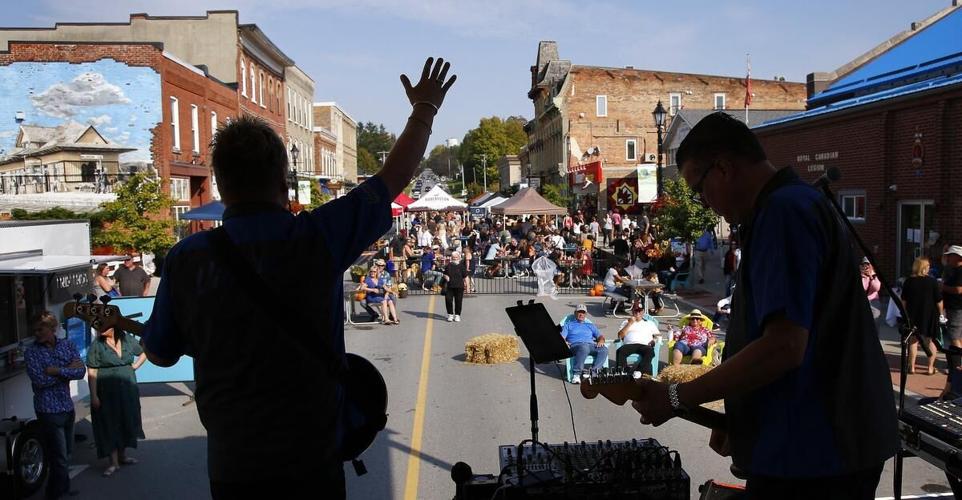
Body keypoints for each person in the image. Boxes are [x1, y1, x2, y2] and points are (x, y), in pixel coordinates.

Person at [141, 57, 456, 498]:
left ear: (221, 184)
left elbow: (159, 353)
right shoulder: (315, 238)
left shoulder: (187, 259)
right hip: (313, 459)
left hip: (235, 467)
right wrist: (425, 108)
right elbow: (391, 179)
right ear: (285, 183)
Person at [630, 112, 897, 498]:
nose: (705, 204)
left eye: (699, 189)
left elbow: (784, 346)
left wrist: (676, 397)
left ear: (722, 167)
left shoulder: (783, 212)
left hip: (818, 454)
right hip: (820, 446)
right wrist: (741, 413)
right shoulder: (790, 206)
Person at [24, 311, 85, 499]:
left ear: (52, 328)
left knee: (66, 453)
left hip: (67, 406)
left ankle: (62, 488)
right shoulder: (32, 353)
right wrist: (67, 370)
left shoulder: (67, 345)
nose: (37, 333)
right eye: (34, 330)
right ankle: (55, 494)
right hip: (48, 409)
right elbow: (40, 380)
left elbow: (80, 371)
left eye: (40, 329)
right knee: (58, 456)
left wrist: (56, 370)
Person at [86, 325, 146, 477]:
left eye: (104, 326)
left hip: (127, 386)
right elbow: (92, 371)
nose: (100, 329)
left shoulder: (127, 339)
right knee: (109, 422)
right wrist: (94, 395)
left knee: (126, 419)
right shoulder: (97, 345)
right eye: (98, 326)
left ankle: (122, 456)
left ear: (113, 326)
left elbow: (146, 349)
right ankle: (113, 463)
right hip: (107, 389)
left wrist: (136, 365)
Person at [901, 257, 942, 375]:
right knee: (931, 340)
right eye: (928, 265)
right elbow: (939, 300)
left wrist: (905, 313)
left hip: (913, 315)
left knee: (913, 341)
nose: (929, 267)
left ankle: (912, 367)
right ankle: (930, 368)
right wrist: (941, 313)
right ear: (923, 267)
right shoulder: (932, 282)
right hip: (930, 314)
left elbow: (903, 300)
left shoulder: (909, 281)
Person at [560, 304, 608, 382]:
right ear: (575, 313)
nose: (581, 314)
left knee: (604, 350)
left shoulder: (590, 325)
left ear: (586, 314)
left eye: (583, 312)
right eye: (579, 312)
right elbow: (562, 338)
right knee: (584, 347)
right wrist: (564, 342)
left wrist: (601, 340)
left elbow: (600, 336)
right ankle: (576, 375)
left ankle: (594, 373)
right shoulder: (568, 325)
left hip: (591, 345)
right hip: (576, 345)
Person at [615, 304, 659, 372]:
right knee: (620, 351)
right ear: (632, 311)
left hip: (644, 345)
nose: (638, 313)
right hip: (629, 344)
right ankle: (623, 373)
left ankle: (639, 372)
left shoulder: (650, 323)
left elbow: (658, 335)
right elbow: (620, 336)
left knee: (650, 352)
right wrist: (629, 324)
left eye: (640, 311)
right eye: (636, 311)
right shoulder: (626, 322)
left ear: (643, 311)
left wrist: (654, 341)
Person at [942, 245, 962, 348]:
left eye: (950, 255)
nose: (948, 258)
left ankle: (957, 362)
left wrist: (942, 287)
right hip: (955, 307)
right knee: (958, 336)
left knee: (954, 336)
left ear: (957, 257)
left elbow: (959, 289)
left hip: (957, 308)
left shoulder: (960, 271)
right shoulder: (955, 269)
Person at [442, 250, 468, 322]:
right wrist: (445, 276)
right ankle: (450, 315)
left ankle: (457, 315)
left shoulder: (462, 266)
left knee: (458, 301)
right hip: (449, 286)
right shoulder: (448, 265)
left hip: (459, 286)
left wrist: (468, 287)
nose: (455, 258)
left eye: (456, 257)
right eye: (453, 257)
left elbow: (465, 277)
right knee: (448, 300)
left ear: (459, 257)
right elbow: (444, 274)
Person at [860, 257, 882, 321]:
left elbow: (876, 288)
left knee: (875, 323)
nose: (866, 267)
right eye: (864, 264)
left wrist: (871, 276)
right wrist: (861, 275)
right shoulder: (860, 276)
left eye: (868, 265)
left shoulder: (875, 275)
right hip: (862, 302)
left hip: (873, 302)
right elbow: (861, 288)